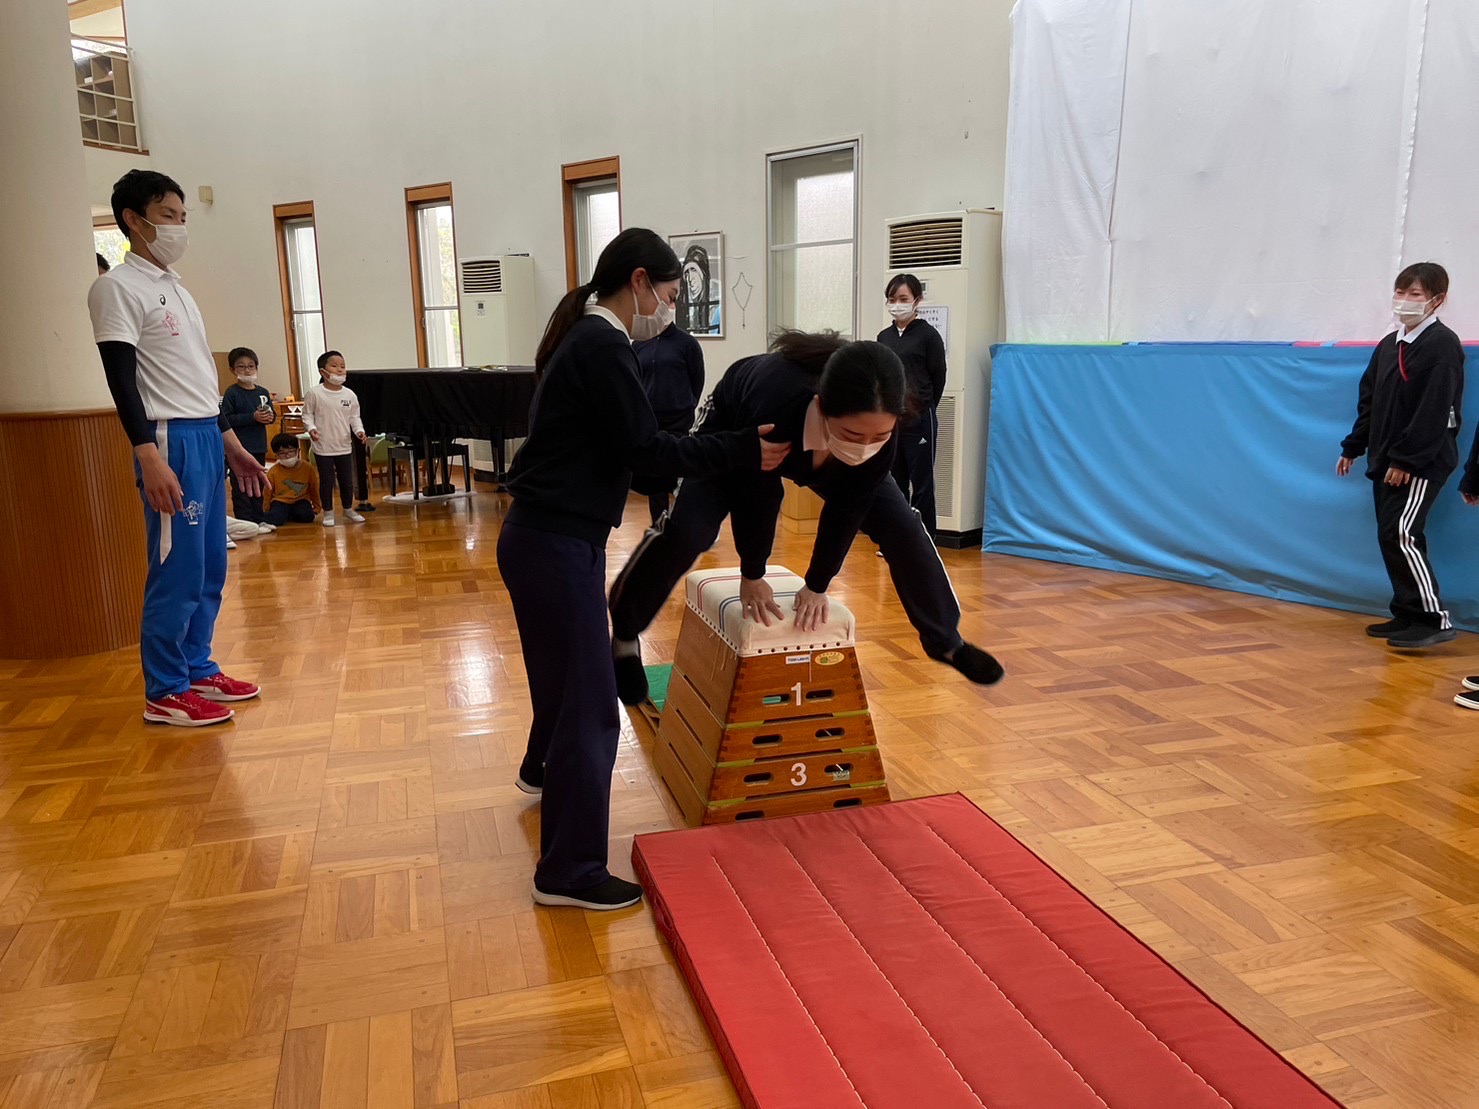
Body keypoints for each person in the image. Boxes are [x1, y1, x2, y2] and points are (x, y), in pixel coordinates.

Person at [498, 228, 788, 911]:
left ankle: (541, 770)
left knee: (563, 684)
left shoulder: (587, 339)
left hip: (542, 539)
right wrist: (740, 448)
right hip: (554, 544)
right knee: (593, 708)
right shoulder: (603, 343)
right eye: (667, 293)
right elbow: (649, 455)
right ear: (637, 282)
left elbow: (634, 450)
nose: (668, 307)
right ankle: (566, 871)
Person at [609, 331, 1004, 709]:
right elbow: (757, 495)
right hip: (737, 432)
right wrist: (752, 573)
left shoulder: (880, 431)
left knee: (902, 523)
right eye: (853, 433)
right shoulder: (777, 402)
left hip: (809, 446)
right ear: (821, 406)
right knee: (688, 531)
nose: (865, 446)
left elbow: (848, 508)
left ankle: (946, 641)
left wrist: (817, 584)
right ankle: (625, 633)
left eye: (878, 437)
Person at [88, 168, 265, 727]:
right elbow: (121, 380)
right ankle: (164, 689)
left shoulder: (176, 288)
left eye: (183, 217)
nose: (179, 228)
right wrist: (147, 453)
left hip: (205, 436)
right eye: (169, 216)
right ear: (133, 220)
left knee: (211, 564)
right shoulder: (117, 288)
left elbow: (196, 379)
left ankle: (197, 666)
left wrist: (229, 441)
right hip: (167, 437)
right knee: (177, 567)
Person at [1339, 261, 1464, 650]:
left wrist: (1406, 460)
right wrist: (1354, 446)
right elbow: (1370, 400)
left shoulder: (1441, 345)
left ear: (1436, 300)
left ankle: (1433, 618)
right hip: (1386, 459)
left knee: (1402, 533)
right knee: (1390, 536)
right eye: (1401, 292)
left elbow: (1435, 409)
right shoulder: (1389, 344)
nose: (1405, 301)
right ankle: (1407, 613)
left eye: (1416, 294)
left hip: (1419, 462)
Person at [877, 274, 948, 539]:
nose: (897, 304)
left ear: (917, 301)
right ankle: (896, 540)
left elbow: (938, 375)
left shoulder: (929, 336)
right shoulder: (884, 337)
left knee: (922, 484)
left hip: (921, 419)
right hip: (892, 420)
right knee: (894, 482)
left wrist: (925, 407)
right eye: (892, 299)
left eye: (903, 299)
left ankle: (925, 541)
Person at [631, 320, 705, 524]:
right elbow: (634, 379)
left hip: (678, 420)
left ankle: (690, 521)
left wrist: (686, 404)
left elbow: (696, 380)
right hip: (650, 420)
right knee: (656, 474)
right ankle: (660, 523)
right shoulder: (638, 343)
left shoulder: (687, 343)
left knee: (682, 474)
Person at [304, 350, 367, 527]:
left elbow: (354, 417)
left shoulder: (349, 395)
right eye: (334, 366)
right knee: (327, 480)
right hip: (323, 445)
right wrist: (311, 429)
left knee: (347, 480)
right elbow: (307, 415)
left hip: (344, 445)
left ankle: (348, 509)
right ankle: (328, 512)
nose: (340, 370)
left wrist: (359, 431)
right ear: (322, 371)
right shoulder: (315, 393)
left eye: (343, 366)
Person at [219, 346, 276, 527]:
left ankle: (259, 519)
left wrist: (269, 417)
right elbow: (226, 419)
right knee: (241, 487)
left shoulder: (263, 392)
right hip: (239, 448)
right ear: (232, 369)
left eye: (251, 366)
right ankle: (245, 521)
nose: (247, 370)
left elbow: (271, 414)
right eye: (242, 367)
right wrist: (252, 417)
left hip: (258, 446)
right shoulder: (232, 393)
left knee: (258, 483)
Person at [260, 433, 322, 529]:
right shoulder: (273, 472)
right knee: (275, 519)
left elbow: (314, 488)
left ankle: (290, 514)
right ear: (276, 455)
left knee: (307, 517)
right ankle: (284, 514)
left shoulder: (308, 468)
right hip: (280, 501)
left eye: (291, 451)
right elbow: (267, 493)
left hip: (301, 500)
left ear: (298, 451)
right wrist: (266, 510)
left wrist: (317, 506)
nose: (287, 455)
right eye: (282, 453)